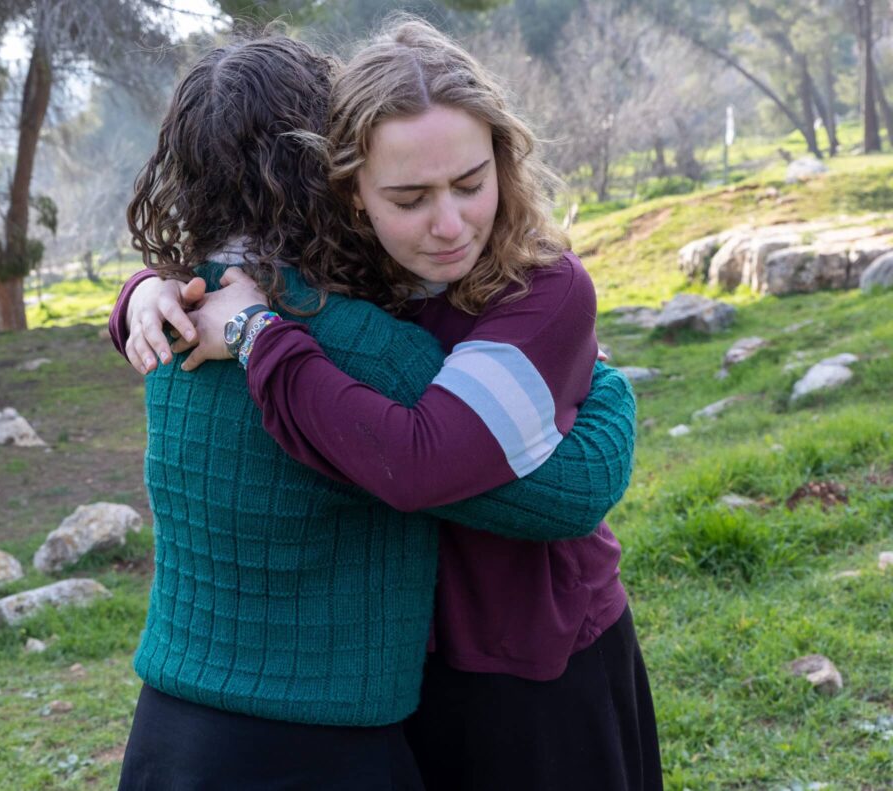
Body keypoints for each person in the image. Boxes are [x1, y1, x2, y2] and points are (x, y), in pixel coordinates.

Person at [120, 18, 662, 791]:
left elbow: (509, 482)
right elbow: (555, 487)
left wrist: (168, 299)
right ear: (340, 178)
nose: (446, 222)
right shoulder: (339, 316)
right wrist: (605, 389)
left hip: (521, 664)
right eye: (408, 194)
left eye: (470, 184)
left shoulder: (220, 308)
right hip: (371, 703)